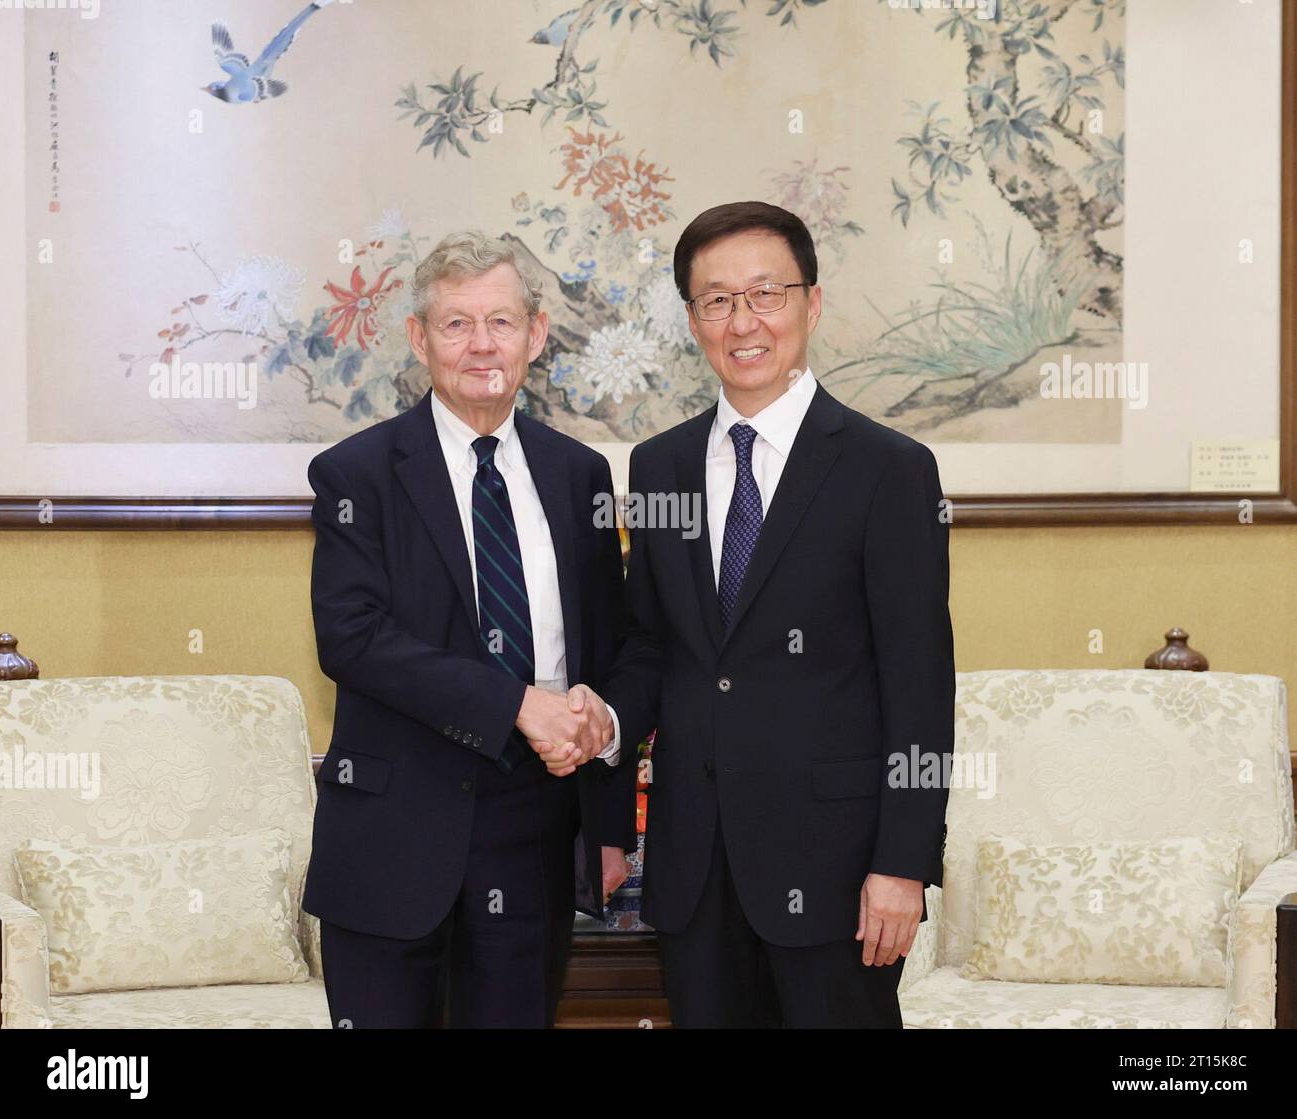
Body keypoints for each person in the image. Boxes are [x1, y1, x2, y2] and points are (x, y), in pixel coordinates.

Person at [597, 201, 955, 1028]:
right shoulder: (660, 467)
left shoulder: (888, 469)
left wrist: (903, 864)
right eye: (716, 300)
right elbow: (651, 646)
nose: (743, 320)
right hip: (696, 868)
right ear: (692, 320)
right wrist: (606, 724)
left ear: (811, 304)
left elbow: (920, 683)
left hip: (838, 875)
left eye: (766, 293)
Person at [302, 230, 635, 1028]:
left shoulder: (579, 475)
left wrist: (610, 820)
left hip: (534, 841)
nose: (481, 344)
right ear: (420, 339)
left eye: (501, 321)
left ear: (537, 334)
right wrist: (517, 702)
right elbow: (351, 637)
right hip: (391, 841)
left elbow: (614, 650)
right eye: (456, 324)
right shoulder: (356, 474)